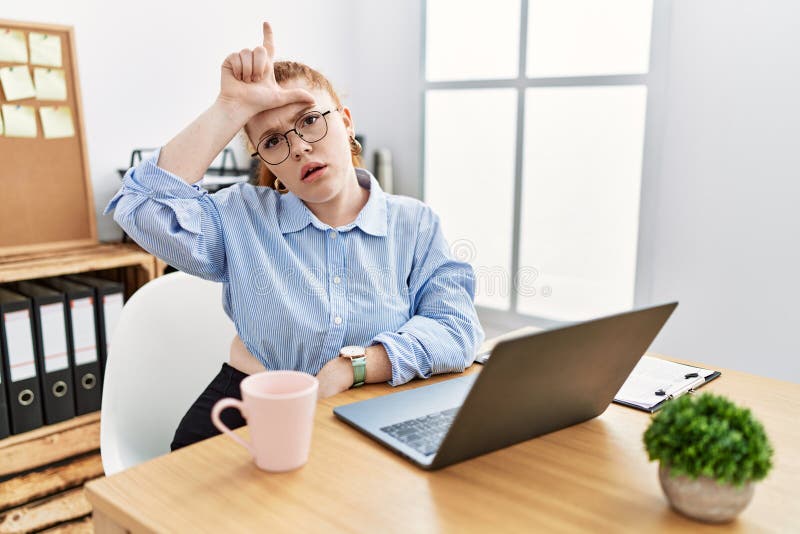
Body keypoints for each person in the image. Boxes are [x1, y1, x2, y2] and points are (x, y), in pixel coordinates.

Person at [104, 22, 484, 451]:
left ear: (344, 122)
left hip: (365, 406)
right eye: (272, 141)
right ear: (264, 158)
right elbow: (140, 205)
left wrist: (355, 366)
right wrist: (230, 107)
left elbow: (457, 327)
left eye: (309, 120)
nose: (300, 147)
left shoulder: (415, 225)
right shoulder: (242, 217)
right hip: (247, 410)